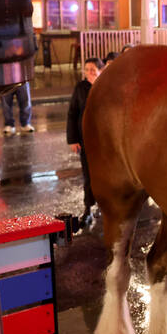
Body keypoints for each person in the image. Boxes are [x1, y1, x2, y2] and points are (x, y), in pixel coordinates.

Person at [67, 58, 103, 227]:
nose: (90, 72)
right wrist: (73, 139)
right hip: (86, 139)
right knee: (88, 176)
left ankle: (105, 207)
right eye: (87, 69)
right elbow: (72, 113)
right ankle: (88, 208)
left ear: (101, 70)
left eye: (93, 69)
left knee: (105, 175)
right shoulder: (80, 88)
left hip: (105, 141)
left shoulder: (106, 86)